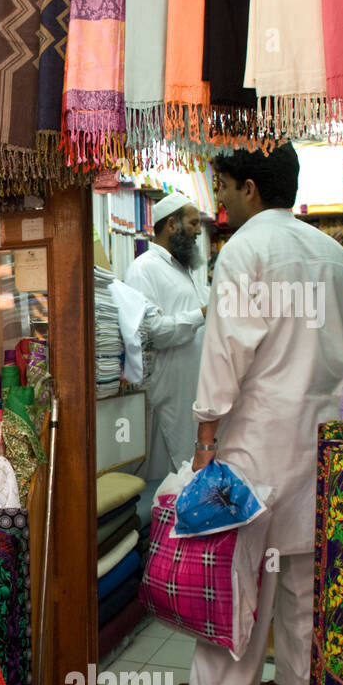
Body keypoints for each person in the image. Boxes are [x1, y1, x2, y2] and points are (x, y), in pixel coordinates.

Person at [175, 143, 343, 685]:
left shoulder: (246, 250)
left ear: (250, 187)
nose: (222, 200)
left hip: (257, 435)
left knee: (242, 562)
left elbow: (226, 351)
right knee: (305, 564)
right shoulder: (334, 255)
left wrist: (206, 438)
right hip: (322, 432)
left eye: (225, 186)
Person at [124, 192, 209, 490]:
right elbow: (152, 330)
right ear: (172, 224)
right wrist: (203, 313)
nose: (199, 230)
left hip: (191, 390)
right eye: (194, 222)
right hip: (167, 392)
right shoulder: (143, 268)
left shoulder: (183, 270)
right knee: (164, 483)